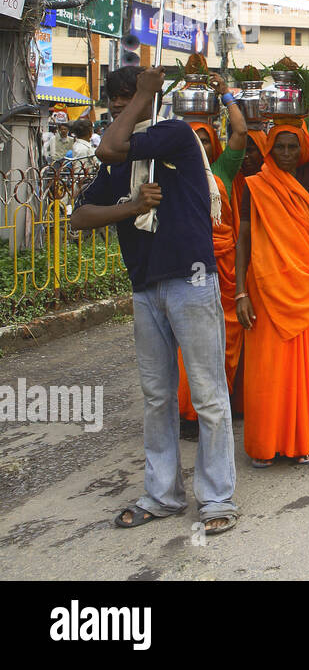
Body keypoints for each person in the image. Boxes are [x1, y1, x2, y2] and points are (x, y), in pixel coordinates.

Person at [73, 65, 237, 536]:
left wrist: (148, 95)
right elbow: (81, 216)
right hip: (145, 286)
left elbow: (110, 144)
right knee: (157, 396)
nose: (120, 108)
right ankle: (162, 495)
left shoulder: (175, 135)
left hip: (191, 279)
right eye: (116, 101)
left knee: (207, 394)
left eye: (128, 98)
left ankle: (217, 498)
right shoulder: (119, 160)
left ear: (150, 96)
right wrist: (133, 207)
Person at [236, 101, 309, 467]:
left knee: (304, 368)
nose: (285, 153)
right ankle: (265, 442)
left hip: (307, 288)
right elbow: (244, 238)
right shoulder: (255, 185)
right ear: (269, 148)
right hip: (265, 289)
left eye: (292, 145)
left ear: (302, 148)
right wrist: (240, 292)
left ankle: (302, 438)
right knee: (267, 370)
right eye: (279, 146)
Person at [178, 78, 249, 431]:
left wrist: (225, 94)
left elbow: (240, 130)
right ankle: (189, 414)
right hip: (189, 269)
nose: (200, 144)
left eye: (204, 138)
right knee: (189, 342)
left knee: (228, 338)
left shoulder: (221, 170)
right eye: (192, 139)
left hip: (224, 269)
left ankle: (216, 405)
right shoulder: (170, 174)